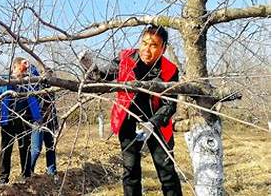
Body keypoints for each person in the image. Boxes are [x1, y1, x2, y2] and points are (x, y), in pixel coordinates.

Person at [80, 25, 183, 196]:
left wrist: (152, 124)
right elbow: (104, 77)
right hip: (128, 121)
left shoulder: (170, 69)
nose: (146, 50)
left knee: (167, 173)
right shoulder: (126, 58)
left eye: (153, 45)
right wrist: (90, 67)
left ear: (163, 48)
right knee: (130, 173)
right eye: (144, 43)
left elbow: (170, 105)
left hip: (156, 124)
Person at [0, 57, 42, 185]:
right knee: (6, 150)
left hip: (25, 120)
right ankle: (3, 179)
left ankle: (26, 175)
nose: (25, 66)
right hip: (8, 120)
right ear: (14, 67)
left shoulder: (30, 80)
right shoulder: (4, 81)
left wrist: (37, 118)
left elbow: (37, 85)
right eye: (22, 64)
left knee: (25, 149)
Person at [29, 64, 59, 182]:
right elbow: (34, 105)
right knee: (36, 149)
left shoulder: (52, 89)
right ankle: (28, 171)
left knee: (50, 147)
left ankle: (51, 171)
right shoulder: (36, 87)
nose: (49, 77)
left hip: (49, 122)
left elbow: (52, 107)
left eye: (50, 74)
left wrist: (55, 123)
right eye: (47, 74)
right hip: (38, 122)